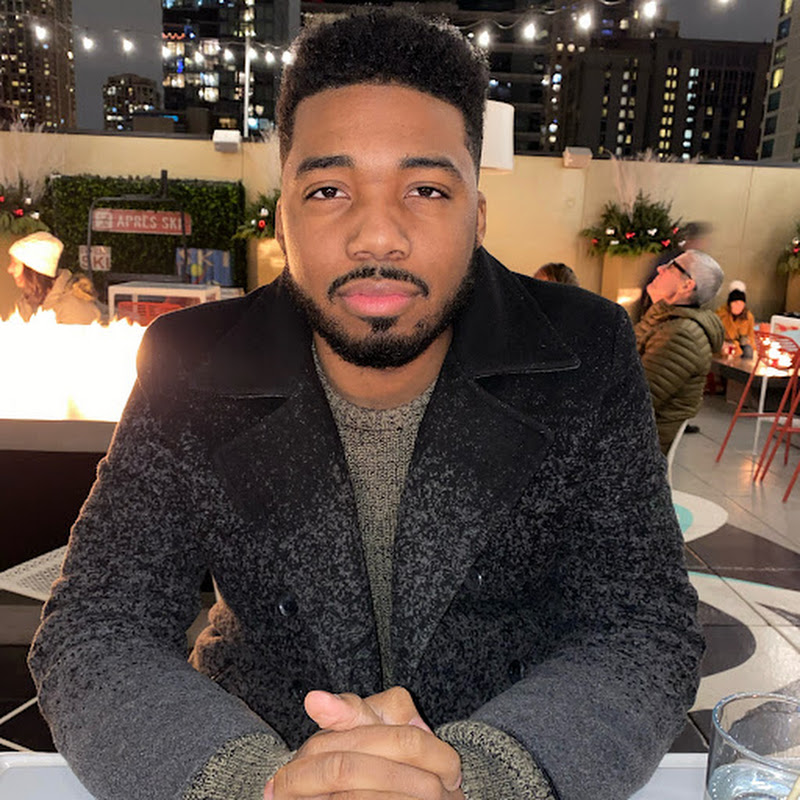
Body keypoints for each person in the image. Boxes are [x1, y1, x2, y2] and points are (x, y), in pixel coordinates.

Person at [29, 10, 703, 800]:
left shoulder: (583, 353)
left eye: (425, 189)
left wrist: (488, 776)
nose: (377, 236)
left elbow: (641, 623)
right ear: (283, 216)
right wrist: (252, 784)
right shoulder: (192, 364)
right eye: (328, 189)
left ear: (478, 215)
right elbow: (97, 624)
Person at [635, 250, 725, 453]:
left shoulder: (682, 335)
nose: (660, 268)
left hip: (639, 445)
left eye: (670, 266)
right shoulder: (663, 318)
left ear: (687, 285)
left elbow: (637, 400)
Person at [7, 231, 103, 324]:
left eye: (15, 263)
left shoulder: (73, 311)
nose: (9, 269)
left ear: (33, 270)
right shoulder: (27, 301)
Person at [638, 221, 713, 321]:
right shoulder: (672, 261)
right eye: (698, 241)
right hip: (664, 315)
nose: (701, 244)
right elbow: (653, 288)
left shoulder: (697, 262)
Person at [716, 280, 756, 360]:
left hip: (740, 343)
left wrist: (746, 340)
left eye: (741, 304)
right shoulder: (721, 314)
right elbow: (715, 333)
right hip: (724, 342)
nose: (738, 306)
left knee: (748, 350)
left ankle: (745, 367)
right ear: (730, 304)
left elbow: (751, 335)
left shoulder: (748, 317)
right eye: (735, 303)